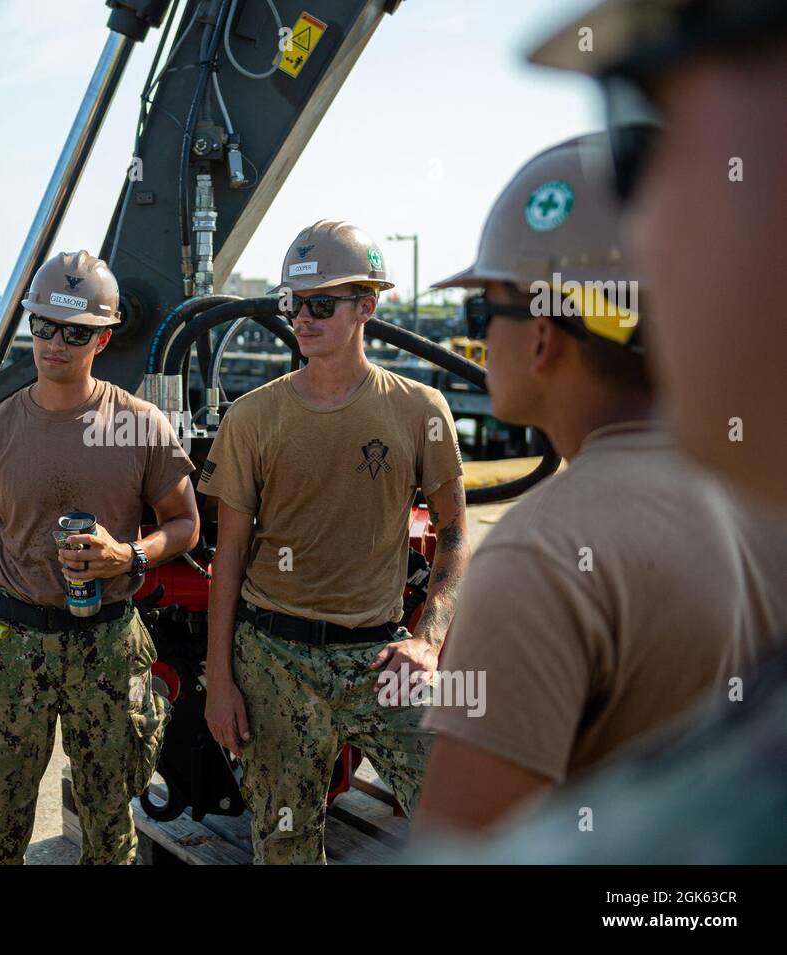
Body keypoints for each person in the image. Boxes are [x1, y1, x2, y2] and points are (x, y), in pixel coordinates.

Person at [412, 0, 787, 863]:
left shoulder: (539, 553)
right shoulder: (756, 492)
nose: (475, 331)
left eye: (483, 307)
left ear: (543, 333)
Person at [198, 220, 470, 864]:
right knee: (285, 847)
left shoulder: (420, 410)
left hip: (381, 657)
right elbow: (227, 557)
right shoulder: (253, 417)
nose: (303, 318)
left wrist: (429, 641)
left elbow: (457, 533)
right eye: (295, 304)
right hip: (273, 660)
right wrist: (219, 682)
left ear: (366, 308)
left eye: (322, 304)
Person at [0, 250, 199, 864]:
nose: (55, 343)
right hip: (12, 641)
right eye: (44, 326)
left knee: (111, 832)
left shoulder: (139, 425)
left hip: (107, 643)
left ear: (103, 338)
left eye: (75, 332)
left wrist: (128, 554)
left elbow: (185, 524)